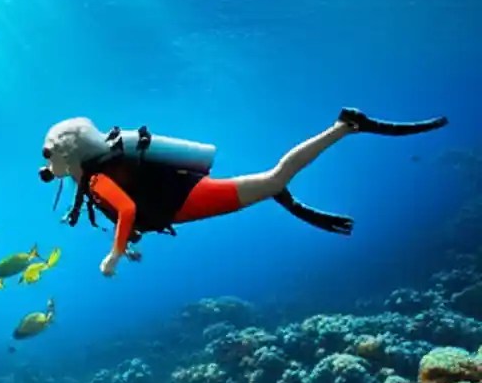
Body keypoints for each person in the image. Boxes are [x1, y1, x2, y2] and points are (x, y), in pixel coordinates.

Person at [38, 108, 449, 277]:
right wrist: (125, 245)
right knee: (271, 183)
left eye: (50, 156)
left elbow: (126, 210)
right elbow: (127, 212)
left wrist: (112, 256)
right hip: (179, 200)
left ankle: (345, 127)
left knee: (274, 179)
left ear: (69, 154)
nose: (47, 166)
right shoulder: (92, 175)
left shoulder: (95, 179)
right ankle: (340, 133)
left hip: (186, 200)